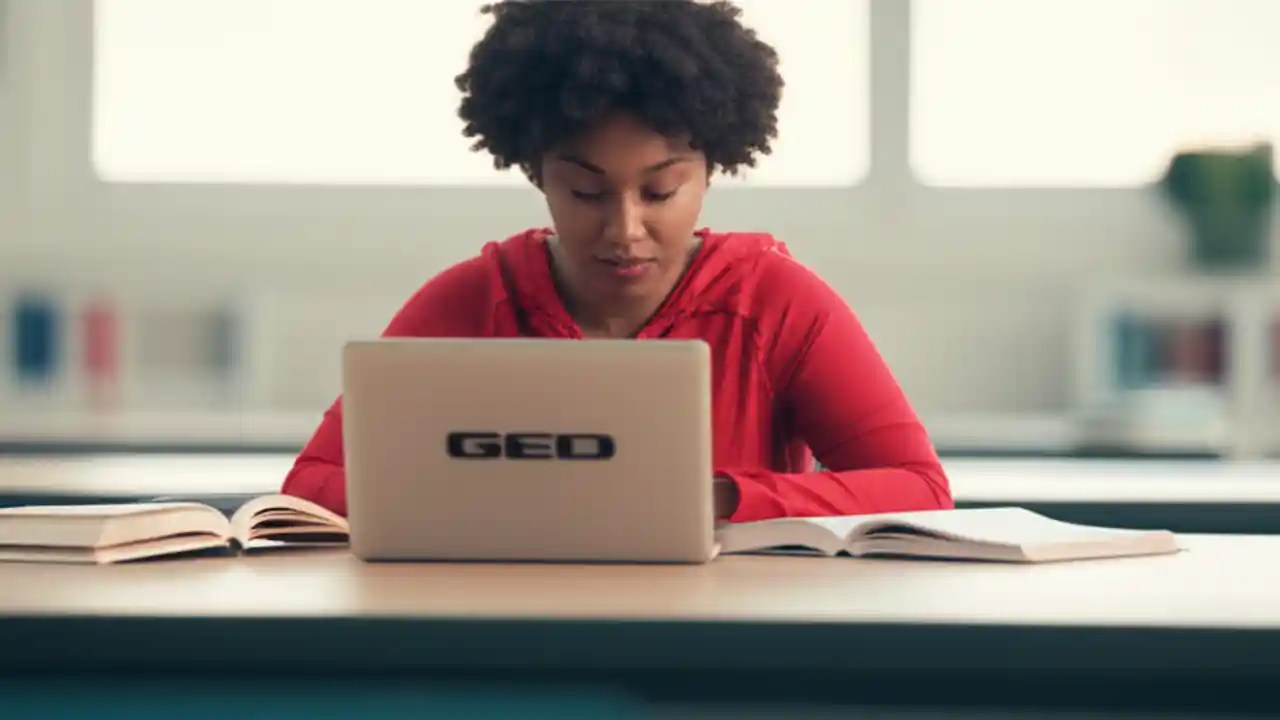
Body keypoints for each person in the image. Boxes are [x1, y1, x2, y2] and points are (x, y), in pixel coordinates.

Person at [282, 0, 952, 522]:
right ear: (535, 174)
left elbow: (919, 487)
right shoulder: (468, 301)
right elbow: (310, 486)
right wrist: (502, 495)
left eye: (660, 191)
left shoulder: (775, 303)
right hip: (507, 626)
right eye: (585, 192)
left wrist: (713, 498)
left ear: (712, 169)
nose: (624, 228)